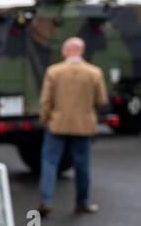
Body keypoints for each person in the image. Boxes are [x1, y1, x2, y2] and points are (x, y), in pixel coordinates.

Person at [38, 36, 108, 216]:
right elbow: (101, 100)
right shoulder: (94, 72)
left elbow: (45, 101)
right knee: (82, 165)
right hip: (83, 125)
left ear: (65, 51)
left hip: (57, 124)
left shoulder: (54, 71)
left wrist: (45, 119)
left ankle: (46, 200)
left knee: (49, 162)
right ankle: (82, 202)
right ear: (81, 51)